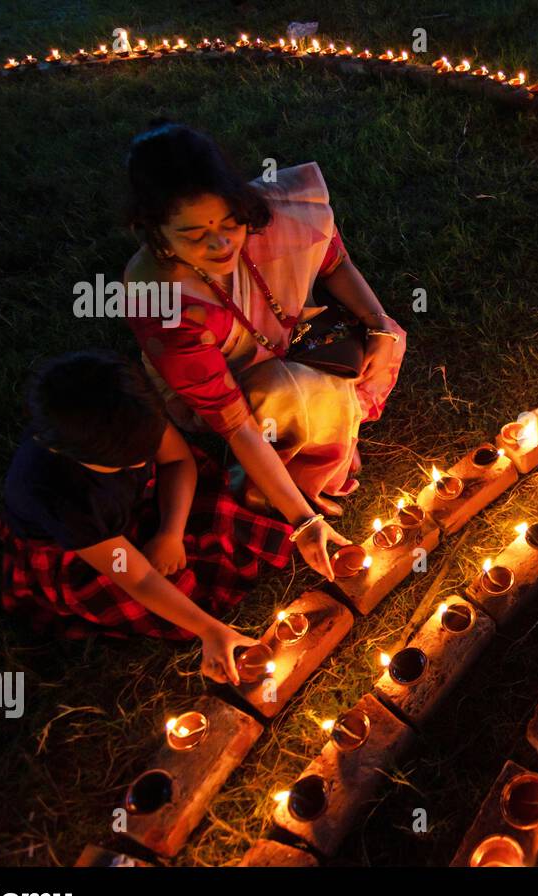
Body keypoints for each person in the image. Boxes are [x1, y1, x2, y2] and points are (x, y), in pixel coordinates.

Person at [122, 122, 406, 579]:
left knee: (386, 340)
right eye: (194, 235)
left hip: (291, 331)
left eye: (230, 223)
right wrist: (302, 522)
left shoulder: (277, 213)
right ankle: (277, 483)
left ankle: (321, 427)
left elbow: (337, 265)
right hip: (231, 374)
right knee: (293, 392)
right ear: (155, 231)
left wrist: (376, 324)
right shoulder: (164, 303)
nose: (220, 243)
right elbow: (233, 423)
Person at [0, 350, 294, 684]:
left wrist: (170, 532)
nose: (141, 464)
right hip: (89, 548)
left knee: (221, 514)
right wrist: (210, 631)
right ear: (69, 453)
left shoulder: (130, 413)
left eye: (145, 452)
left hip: (136, 502)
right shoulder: (61, 496)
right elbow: (137, 578)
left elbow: (178, 462)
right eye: (125, 462)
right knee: (170, 598)